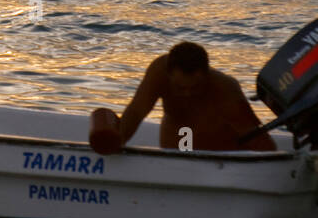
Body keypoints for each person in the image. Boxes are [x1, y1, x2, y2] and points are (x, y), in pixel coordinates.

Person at [112, 41, 276, 152]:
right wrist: (118, 143)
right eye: (180, 88)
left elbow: (256, 137)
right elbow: (136, 111)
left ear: (206, 75)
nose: (187, 94)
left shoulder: (225, 89)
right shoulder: (158, 73)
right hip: (180, 146)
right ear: (169, 75)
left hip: (219, 154)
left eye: (195, 87)